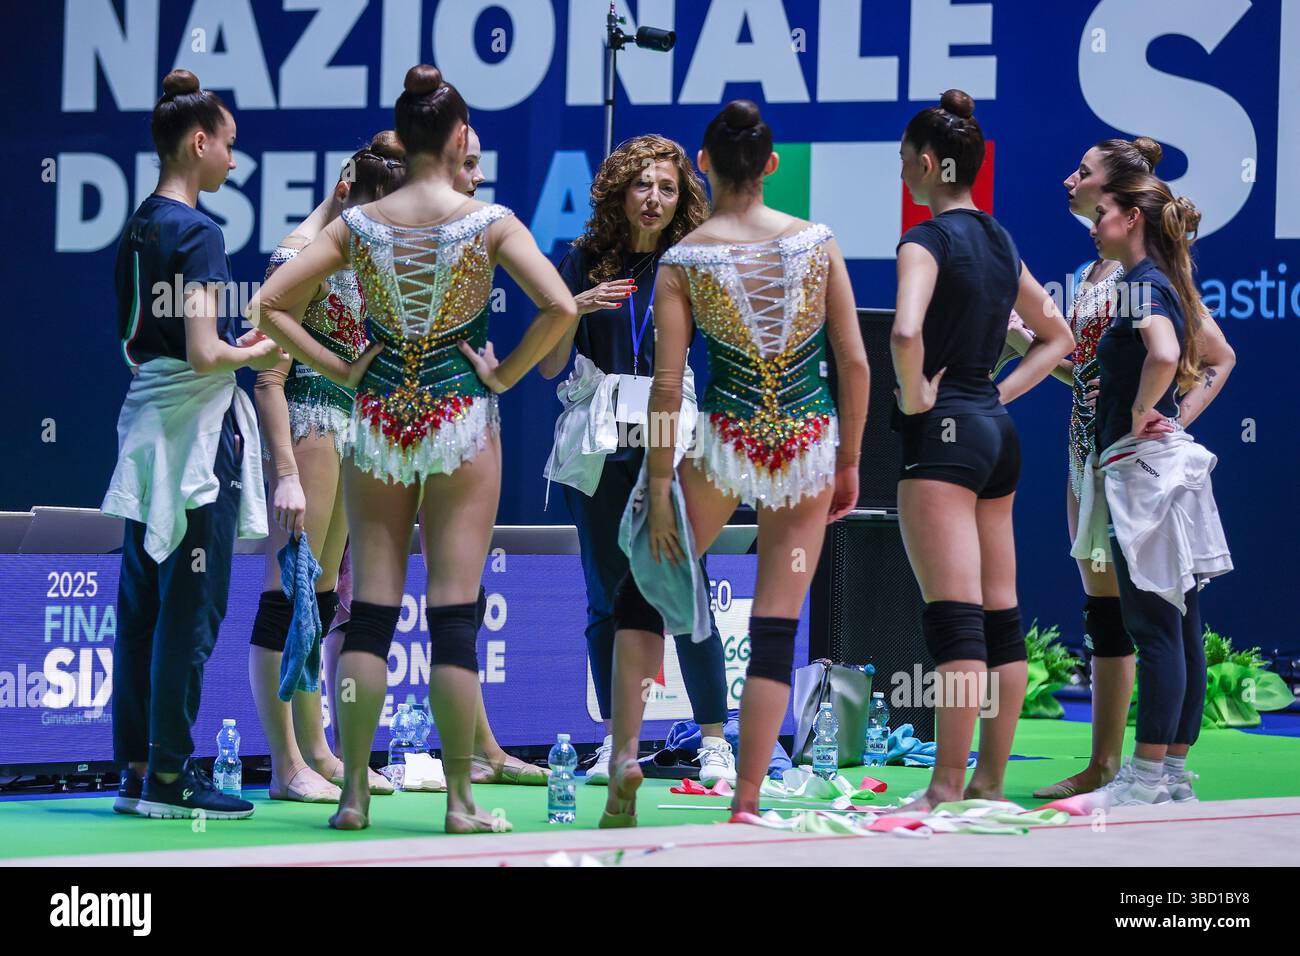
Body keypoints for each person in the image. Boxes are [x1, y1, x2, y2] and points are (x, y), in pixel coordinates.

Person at [249, 65, 577, 833]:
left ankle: (355, 798)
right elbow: (559, 306)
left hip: (376, 422)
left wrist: (337, 365)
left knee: (369, 618)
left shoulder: (359, 225)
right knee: (454, 617)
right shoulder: (488, 220)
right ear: (458, 135)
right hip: (462, 420)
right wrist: (503, 375)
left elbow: (270, 302)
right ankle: (461, 803)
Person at [598, 101, 869, 827]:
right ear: (772, 165)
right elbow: (854, 361)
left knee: (640, 595)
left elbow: (666, 384)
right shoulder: (818, 243)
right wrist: (849, 461)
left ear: (704, 165)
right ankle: (746, 800)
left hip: (722, 444)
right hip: (807, 446)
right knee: (777, 625)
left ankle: (625, 754)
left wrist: (658, 485)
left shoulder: (685, 260)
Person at [1026, 140, 1236, 800]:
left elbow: (1206, 355)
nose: (1069, 180)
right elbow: (1094, 375)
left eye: (1083, 174)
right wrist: (1029, 349)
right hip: (1093, 455)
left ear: (1121, 199)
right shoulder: (1102, 268)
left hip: (1130, 461)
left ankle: (1142, 770)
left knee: (1154, 620)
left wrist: (1164, 414)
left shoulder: (1146, 276)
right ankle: (1129, 768)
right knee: (1120, 615)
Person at [106, 69, 285, 820]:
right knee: (193, 606)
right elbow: (209, 352)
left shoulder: (139, 225)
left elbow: (137, 343)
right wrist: (261, 348)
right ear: (200, 143)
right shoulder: (202, 233)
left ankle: (141, 769)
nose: (235, 163)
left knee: (143, 602)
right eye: (230, 148)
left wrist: (212, 349)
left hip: (146, 424)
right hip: (197, 437)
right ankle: (175, 781)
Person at [891, 90, 1074, 813]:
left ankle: (942, 787)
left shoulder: (924, 240)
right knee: (1000, 615)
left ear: (933, 165)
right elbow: (1056, 335)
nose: (902, 173)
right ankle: (989, 783)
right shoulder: (1001, 241)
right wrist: (1000, 394)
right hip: (997, 438)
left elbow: (906, 333)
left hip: (941, 441)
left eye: (905, 162)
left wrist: (912, 398)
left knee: (956, 620)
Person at [537, 134, 736, 786]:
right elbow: (544, 366)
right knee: (606, 598)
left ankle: (716, 744)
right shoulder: (581, 261)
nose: (653, 198)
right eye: (642, 184)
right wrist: (574, 308)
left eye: (667, 188)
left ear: (682, 200)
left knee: (687, 589)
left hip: (670, 443)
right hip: (597, 446)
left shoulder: (695, 262)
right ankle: (617, 747)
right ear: (620, 189)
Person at [249, 132, 407, 803]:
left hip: (348, 428)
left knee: (318, 600)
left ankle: (318, 748)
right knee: (287, 594)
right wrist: (285, 471)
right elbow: (266, 379)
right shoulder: (298, 255)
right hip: (310, 425)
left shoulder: (355, 248)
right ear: (346, 192)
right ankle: (285, 763)